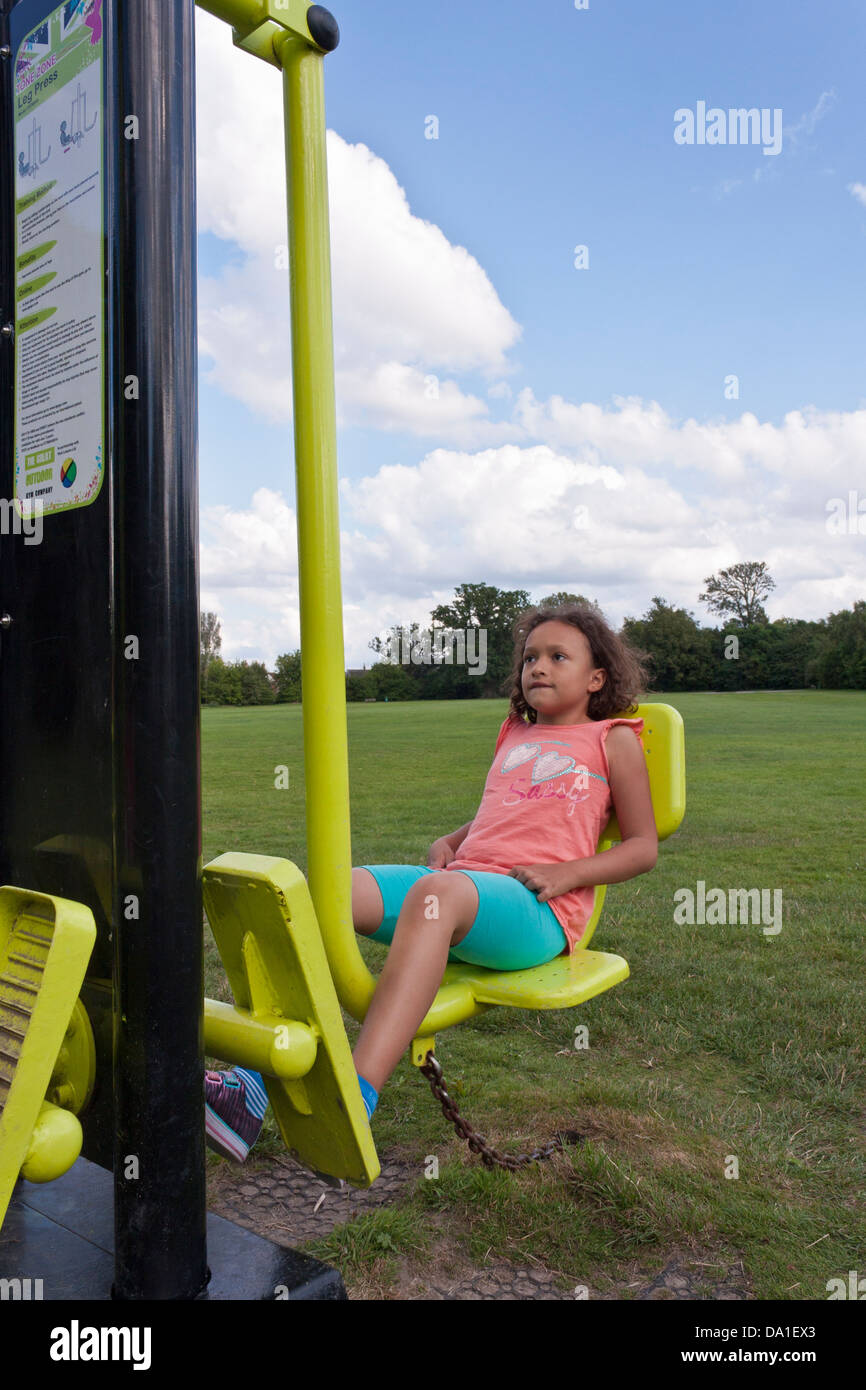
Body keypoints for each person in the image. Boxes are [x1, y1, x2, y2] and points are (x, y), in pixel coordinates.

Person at [205, 602, 658, 1164]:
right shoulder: (514, 733)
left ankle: (357, 1098)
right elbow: (509, 809)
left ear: (596, 678)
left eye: (558, 656)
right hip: (466, 882)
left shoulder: (612, 739)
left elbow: (643, 846)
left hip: (538, 908)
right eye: (531, 657)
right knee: (324, 896)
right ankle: (247, 1090)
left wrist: (567, 874)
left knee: (433, 895)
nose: (538, 666)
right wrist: (452, 838)